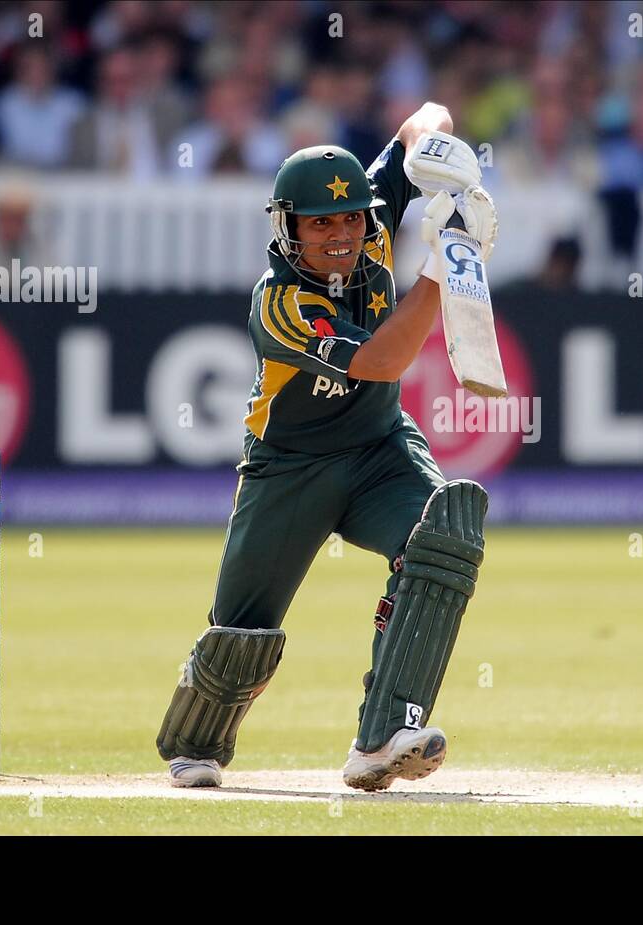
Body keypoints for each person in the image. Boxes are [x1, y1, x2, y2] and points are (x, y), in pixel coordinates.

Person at [155, 102, 499, 792]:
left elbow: (421, 122)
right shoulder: (278, 301)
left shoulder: (367, 220)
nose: (342, 234)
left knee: (445, 530)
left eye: (352, 219)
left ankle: (384, 736)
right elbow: (378, 360)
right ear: (289, 230)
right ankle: (195, 738)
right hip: (290, 467)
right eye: (321, 223)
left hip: (377, 447)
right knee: (242, 634)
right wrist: (448, 262)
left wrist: (438, 144)